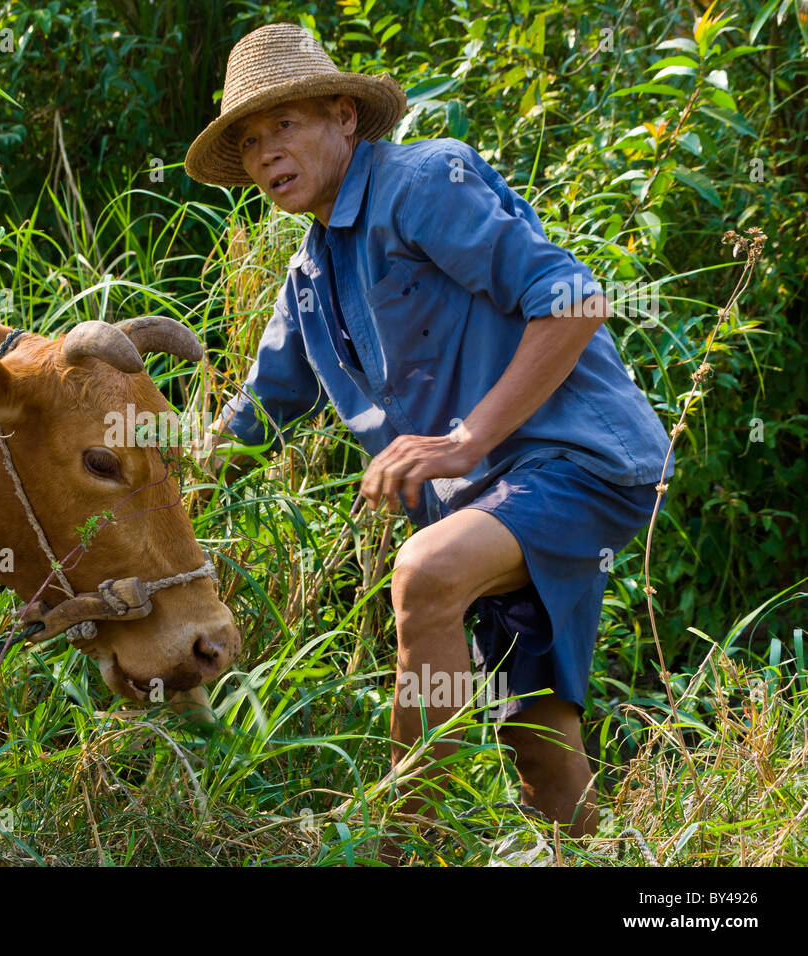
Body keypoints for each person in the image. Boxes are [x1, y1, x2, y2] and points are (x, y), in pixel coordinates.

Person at [185, 22, 674, 842]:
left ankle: (402, 841)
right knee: (538, 741)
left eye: (286, 124)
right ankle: (596, 860)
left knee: (425, 573)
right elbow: (254, 420)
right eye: (250, 140)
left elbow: (576, 301)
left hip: (577, 459)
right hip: (490, 504)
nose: (267, 153)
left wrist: (464, 442)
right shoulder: (307, 277)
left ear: (345, 115)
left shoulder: (421, 181)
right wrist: (137, 482)